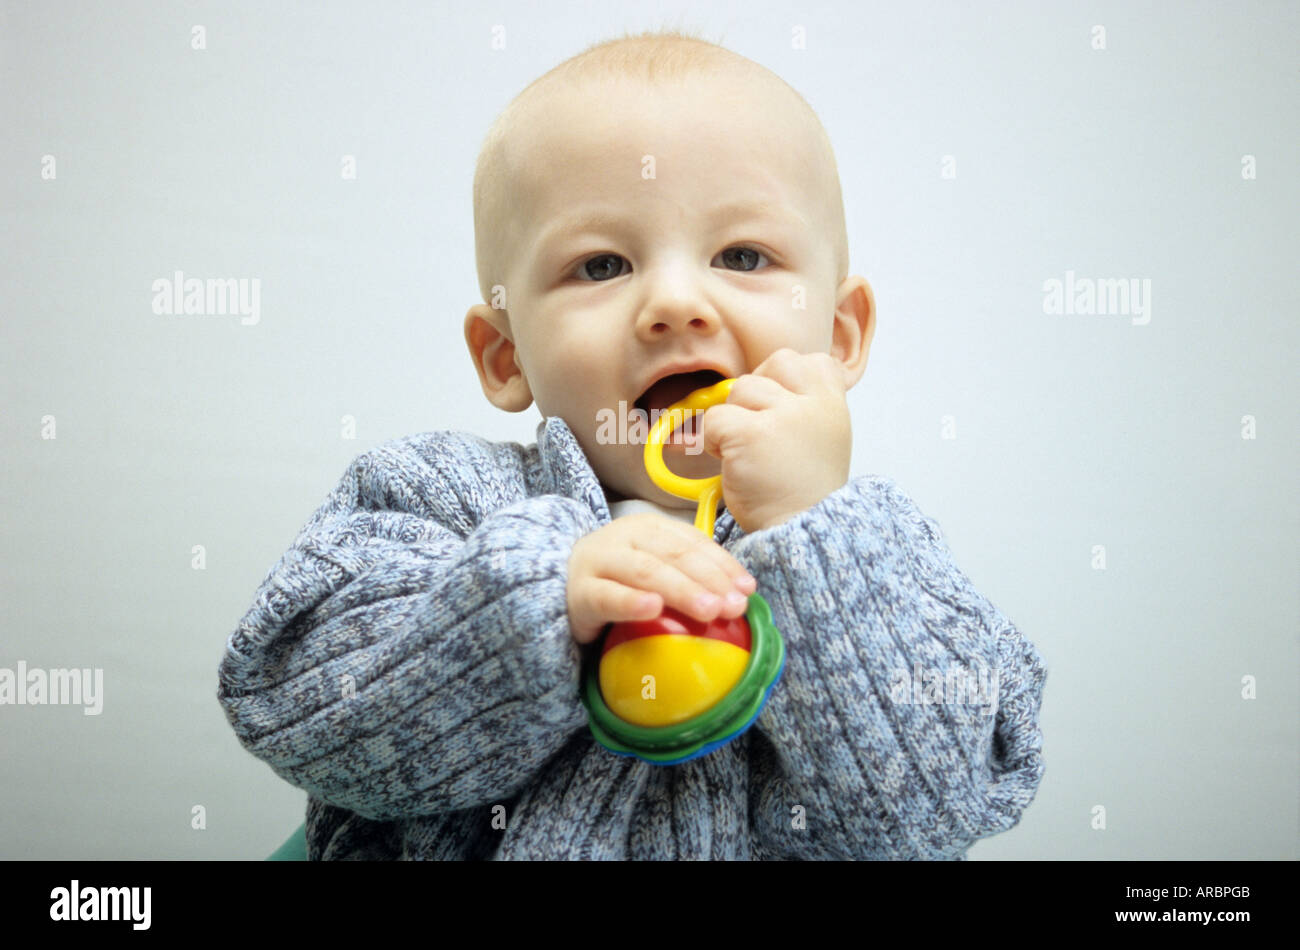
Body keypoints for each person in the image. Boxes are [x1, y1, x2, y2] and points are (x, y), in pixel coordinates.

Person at [217, 30, 1047, 860]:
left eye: (743, 255)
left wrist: (812, 537)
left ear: (839, 334)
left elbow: (934, 815)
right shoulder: (433, 495)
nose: (676, 302)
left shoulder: (885, 560)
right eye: (603, 265)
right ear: (506, 357)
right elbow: (289, 697)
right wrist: (538, 603)